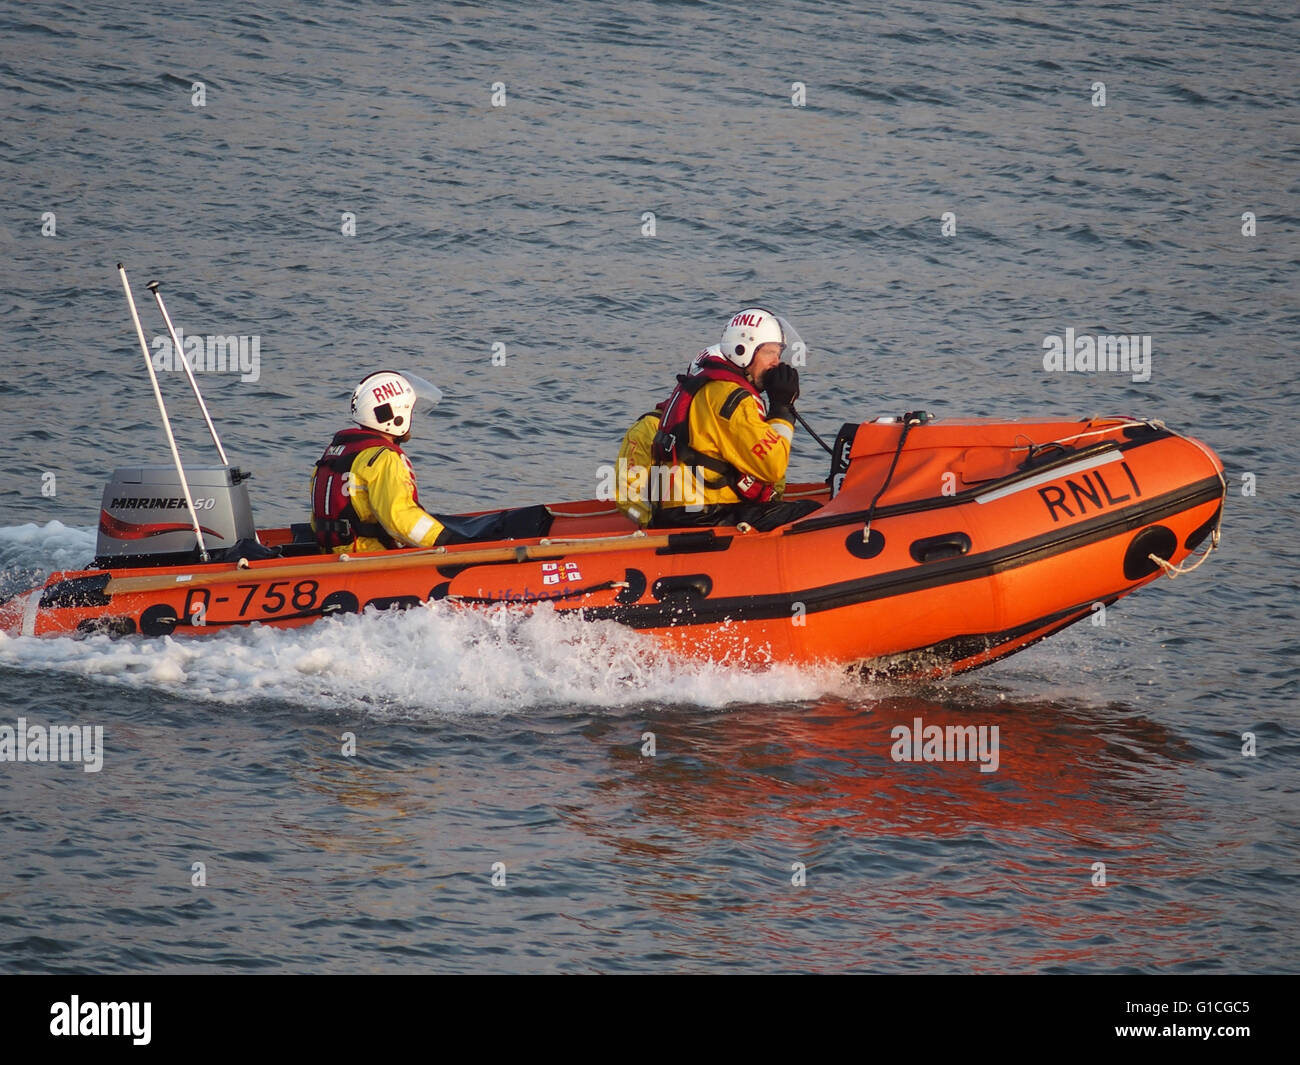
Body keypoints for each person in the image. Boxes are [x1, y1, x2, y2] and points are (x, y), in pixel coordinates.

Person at [311, 370, 550, 553]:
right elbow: (401, 519)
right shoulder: (384, 458)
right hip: (367, 557)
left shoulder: (337, 451)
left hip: (336, 552)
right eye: (410, 410)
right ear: (395, 415)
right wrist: (448, 542)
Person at [637, 308, 821, 531]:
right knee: (812, 512)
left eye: (778, 353)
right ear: (744, 351)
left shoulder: (707, 385)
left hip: (679, 511)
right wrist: (782, 409)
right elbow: (772, 467)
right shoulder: (734, 398)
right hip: (706, 516)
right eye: (769, 352)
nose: (776, 362)